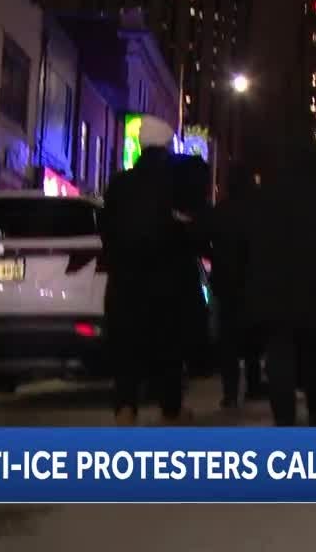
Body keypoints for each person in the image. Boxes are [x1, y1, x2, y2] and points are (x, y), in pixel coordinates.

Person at [244, 139, 316, 426]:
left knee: (280, 356)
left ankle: (284, 416)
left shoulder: (266, 197)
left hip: (275, 293)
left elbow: (252, 244)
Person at [100, 115, 192, 426]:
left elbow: (106, 229)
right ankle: (171, 407)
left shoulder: (120, 183)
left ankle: (125, 406)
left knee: (126, 346)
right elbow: (189, 229)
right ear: (167, 147)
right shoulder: (178, 182)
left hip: (126, 280)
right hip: (167, 279)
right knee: (169, 344)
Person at [211, 164, 263, 408]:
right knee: (253, 337)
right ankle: (253, 385)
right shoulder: (258, 212)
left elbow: (205, 239)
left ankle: (230, 392)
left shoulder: (221, 211)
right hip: (253, 281)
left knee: (229, 341)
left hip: (227, 281)